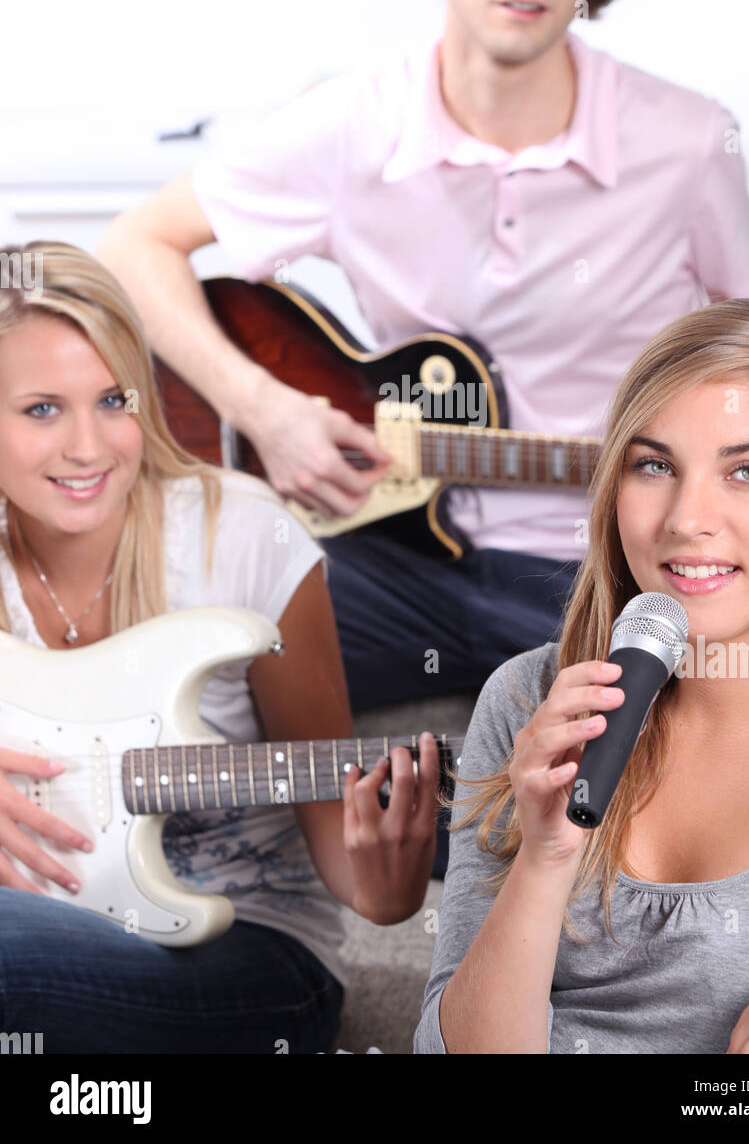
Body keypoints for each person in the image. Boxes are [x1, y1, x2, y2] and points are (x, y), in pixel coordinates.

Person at [95, 0, 749, 788]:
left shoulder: (682, 140)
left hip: (600, 558)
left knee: (662, 776)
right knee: (176, 699)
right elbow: (134, 246)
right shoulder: (352, 126)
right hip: (389, 552)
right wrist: (266, 411)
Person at [0, 241, 440, 1055]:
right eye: (41, 409)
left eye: (112, 400)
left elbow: (347, 856)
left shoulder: (242, 538)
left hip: (247, 955)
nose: (89, 447)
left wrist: (390, 887)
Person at [415, 298, 749, 1055]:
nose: (687, 518)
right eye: (654, 466)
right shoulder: (529, 700)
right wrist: (545, 859)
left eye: (748, 471)